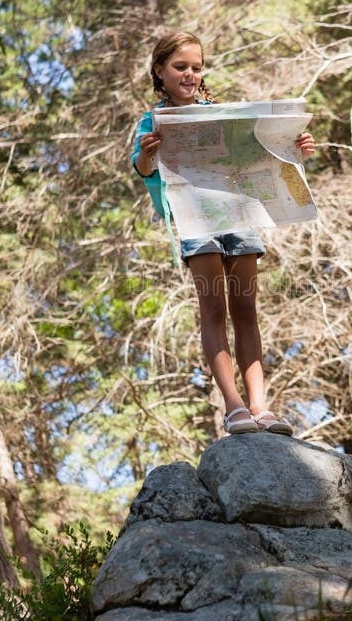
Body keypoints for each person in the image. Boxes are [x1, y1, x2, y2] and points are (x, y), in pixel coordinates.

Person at [132, 31, 315, 436]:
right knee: (214, 310)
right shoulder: (152, 121)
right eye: (180, 67)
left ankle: (261, 406)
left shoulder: (222, 112)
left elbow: (261, 153)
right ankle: (234, 407)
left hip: (239, 217)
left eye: (196, 67)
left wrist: (295, 145)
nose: (190, 74)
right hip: (196, 223)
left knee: (246, 310)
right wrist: (148, 150)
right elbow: (143, 169)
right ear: (159, 71)